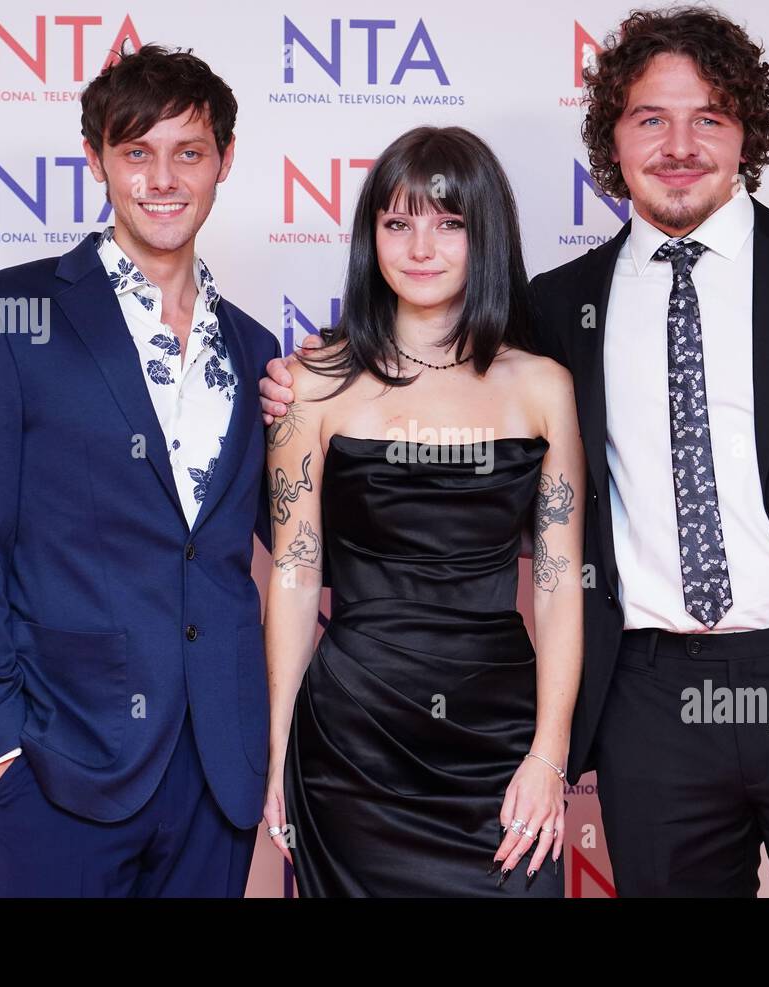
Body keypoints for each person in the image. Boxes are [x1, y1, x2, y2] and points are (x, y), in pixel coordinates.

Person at [263, 7, 769, 897]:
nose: (679, 144)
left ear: (747, 131)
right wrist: (297, 390)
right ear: (613, 139)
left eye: (707, 117)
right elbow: (433, 385)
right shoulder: (560, 310)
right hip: (649, 701)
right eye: (650, 119)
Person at [0, 44, 279, 897]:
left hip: (218, 770)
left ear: (224, 161)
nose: (162, 179)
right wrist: (2, 746)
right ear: (97, 160)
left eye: (188, 152)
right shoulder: (5, 317)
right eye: (136, 152)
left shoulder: (257, 348)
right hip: (64, 760)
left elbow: (307, 549)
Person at [261, 126, 585, 896]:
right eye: (397, 222)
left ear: (486, 235)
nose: (420, 246)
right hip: (351, 740)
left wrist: (549, 752)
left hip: (499, 735)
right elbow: (296, 576)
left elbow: (560, 584)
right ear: (371, 235)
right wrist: (276, 751)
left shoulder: (542, 386)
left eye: (448, 222)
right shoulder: (311, 384)